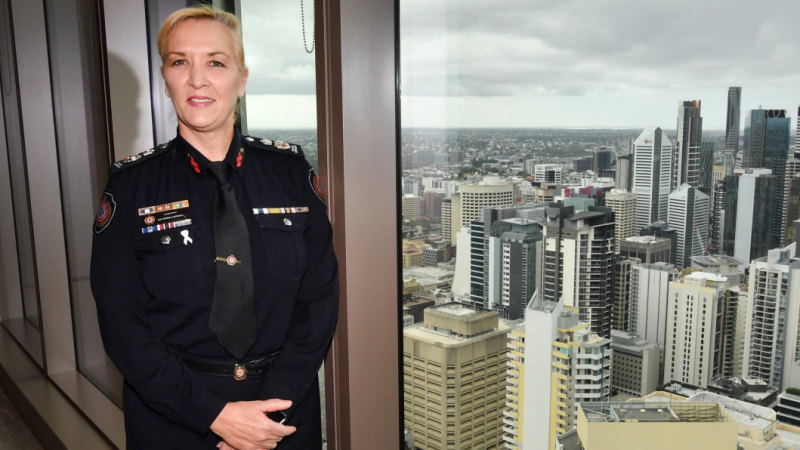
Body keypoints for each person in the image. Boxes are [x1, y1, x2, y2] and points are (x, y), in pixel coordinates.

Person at [90, 5, 338, 449]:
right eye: (180, 61)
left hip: (282, 416)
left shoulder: (291, 174)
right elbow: (123, 328)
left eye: (216, 63)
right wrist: (215, 417)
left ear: (242, 79)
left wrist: (267, 415)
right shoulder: (131, 188)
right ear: (165, 78)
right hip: (174, 420)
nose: (197, 79)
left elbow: (318, 305)